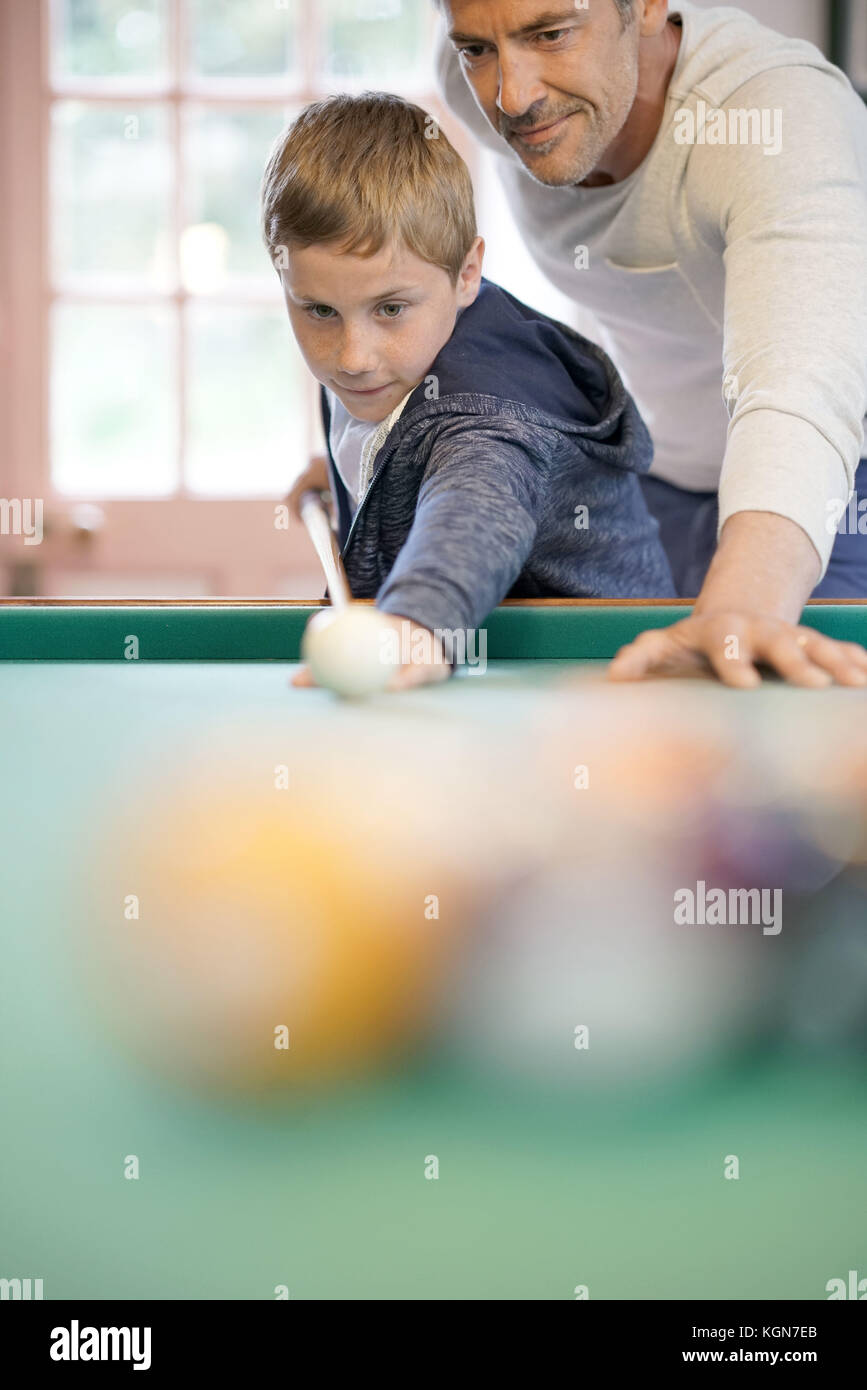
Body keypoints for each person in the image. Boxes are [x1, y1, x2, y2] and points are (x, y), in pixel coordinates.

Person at [433, 0, 867, 688]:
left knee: (780, 724)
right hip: (654, 469)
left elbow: (799, 380)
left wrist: (744, 605)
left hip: (835, 480)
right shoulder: (470, 80)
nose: (512, 96)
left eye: (550, 34)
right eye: (477, 48)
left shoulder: (773, 116)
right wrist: (376, 427)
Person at [263, 92, 676, 689]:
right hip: (500, 683)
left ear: (467, 274)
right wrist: (359, 474)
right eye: (320, 310)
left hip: (598, 689)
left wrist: (419, 618)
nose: (353, 357)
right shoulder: (394, 366)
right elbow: (411, 449)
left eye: (391, 308)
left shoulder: (487, 419)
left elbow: (478, 506)